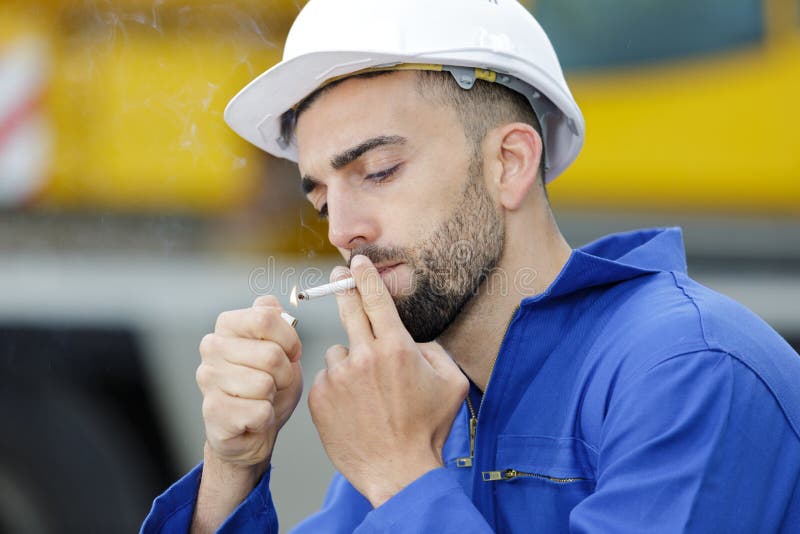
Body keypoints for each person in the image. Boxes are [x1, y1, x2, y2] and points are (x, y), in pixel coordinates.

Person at [142, 0, 800, 532]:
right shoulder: (432, 408)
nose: (343, 231)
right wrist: (232, 469)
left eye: (378, 171)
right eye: (320, 200)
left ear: (508, 163)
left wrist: (401, 471)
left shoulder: (691, 373)